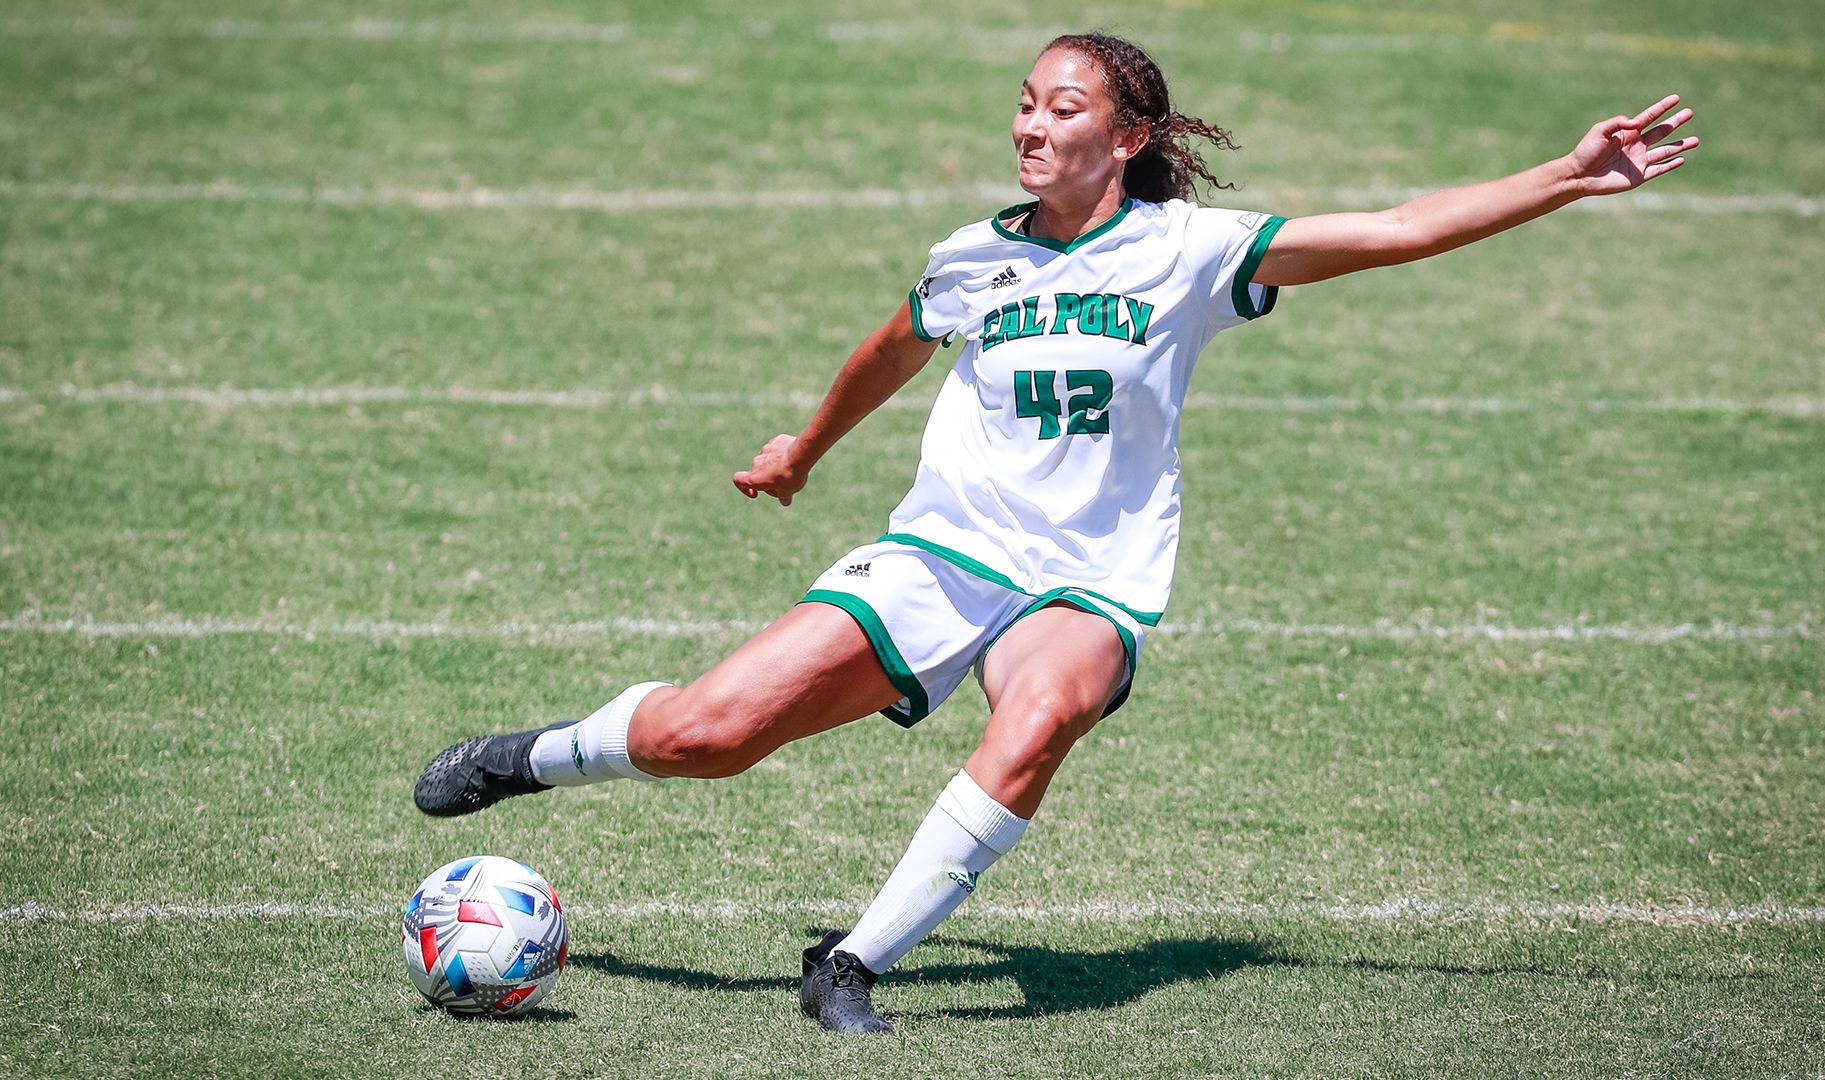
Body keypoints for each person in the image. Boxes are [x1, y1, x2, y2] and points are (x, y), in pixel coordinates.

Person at [413, 33, 1695, 1033]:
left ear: (1129, 138)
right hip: (942, 555)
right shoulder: (973, 256)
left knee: (1040, 719)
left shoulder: (1193, 252)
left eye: (1063, 108)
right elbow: (891, 346)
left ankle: (851, 964)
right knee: (707, 736)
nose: (1031, 123)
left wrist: (1572, 175)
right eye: (1026, 102)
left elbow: (1402, 229)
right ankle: (537, 754)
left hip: (1088, 583)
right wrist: (804, 447)